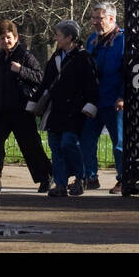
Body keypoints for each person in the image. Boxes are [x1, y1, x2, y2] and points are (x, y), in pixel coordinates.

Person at [0, 19, 52, 193]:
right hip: (1, 111)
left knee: (30, 145)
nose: (5, 41)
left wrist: (22, 70)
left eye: (8, 37)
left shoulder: (25, 55)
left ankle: (46, 177)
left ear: (16, 37)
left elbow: (40, 77)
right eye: (2, 38)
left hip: (21, 110)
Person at [30, 20, 99, 197]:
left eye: (58, 35)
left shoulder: (84, 58)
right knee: (55, 147)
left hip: (73, 111)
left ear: (69, 37)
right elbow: (46, 82)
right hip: (56, 109)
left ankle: (80, 177)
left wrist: (90, 104)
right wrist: (34, 102)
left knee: (68, 143)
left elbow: (91, 85)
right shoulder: (56, 57)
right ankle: (60, 183)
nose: (55, 38)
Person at [81, 1, 126, 193]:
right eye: (93, 18)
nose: (95, 23)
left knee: (119, 143)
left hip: (114, 100)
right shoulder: (92, 39)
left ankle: (124, 178)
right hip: (94, 100)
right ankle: (90, 176)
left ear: (111, 19)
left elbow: (128, 71)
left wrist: (123, 96)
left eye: (99, 18)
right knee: (86, 140)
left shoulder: (123, 40)